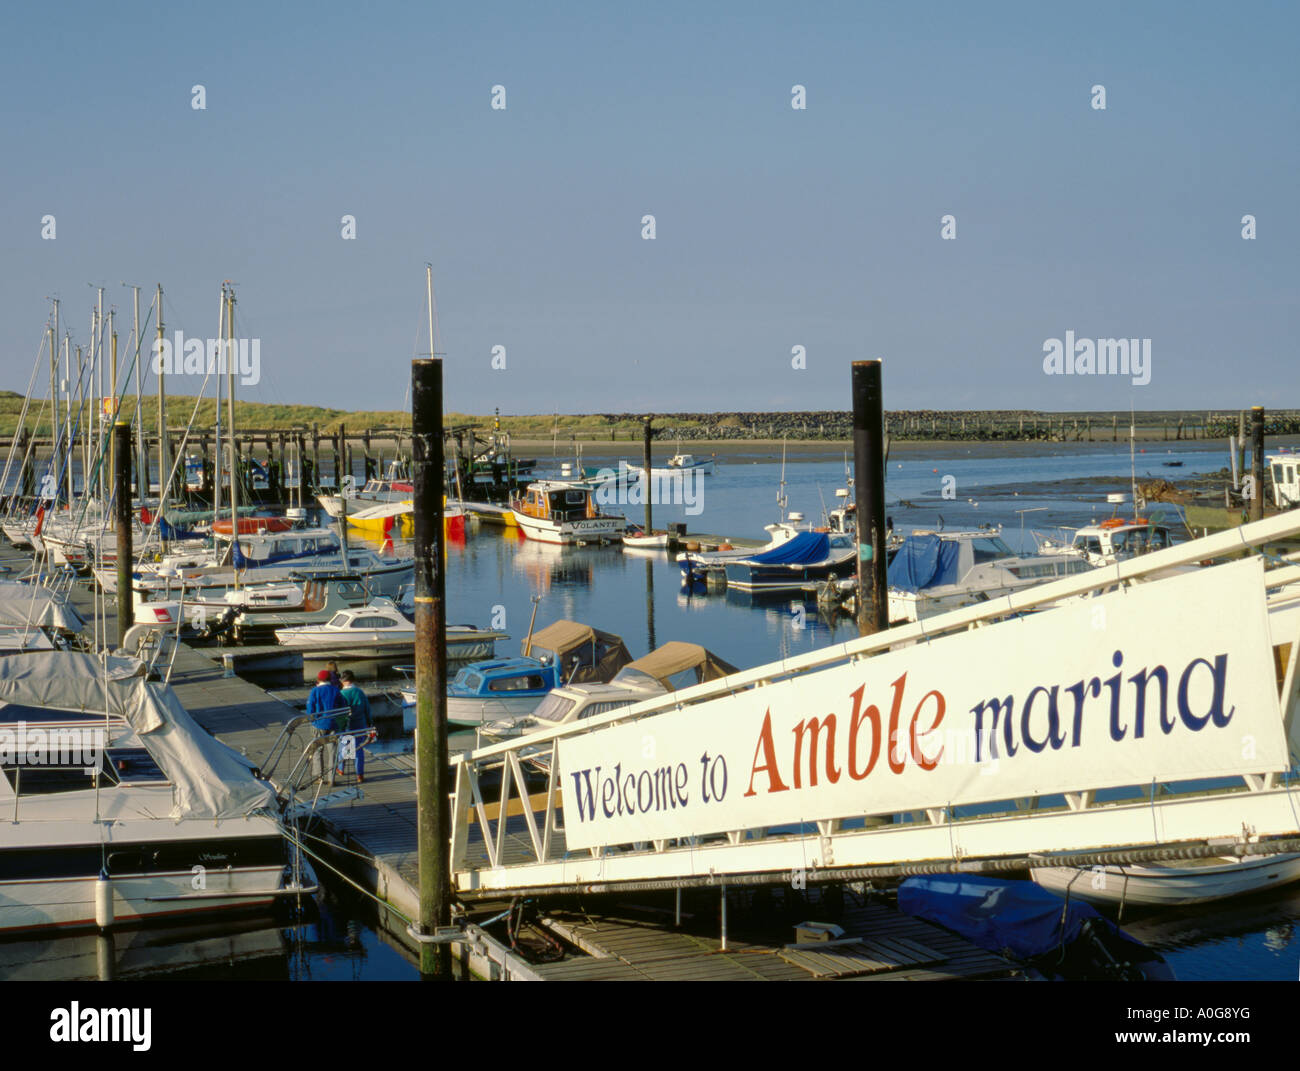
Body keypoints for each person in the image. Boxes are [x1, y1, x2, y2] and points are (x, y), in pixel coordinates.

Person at [306, 669, 345, 784]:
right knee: (332, 752)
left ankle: (319, 777)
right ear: (329, 679)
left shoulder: (315, 691)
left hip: (318, 724)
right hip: (333, 724)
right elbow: (343, 705)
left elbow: (310, 708)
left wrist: (310, 719)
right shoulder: (335, 690)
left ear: (318, 679)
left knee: (318, 750)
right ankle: (331, 778)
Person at [337, 670, 373, 783]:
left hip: (346, 725)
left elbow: (339, 713)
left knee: (344, 746)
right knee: (358, 748)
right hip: (359, 724)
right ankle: (359, 774)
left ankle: (341, 769)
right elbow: (367, 709)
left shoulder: (341, 694)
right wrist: (369, 723)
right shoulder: (359, 692)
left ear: (342, 681)